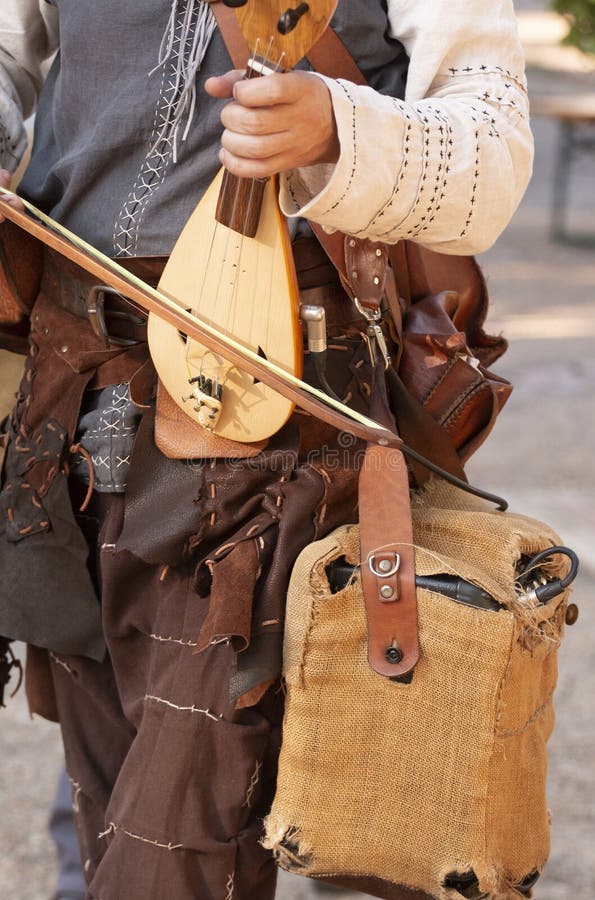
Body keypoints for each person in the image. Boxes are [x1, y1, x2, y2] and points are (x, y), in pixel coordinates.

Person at [0, 1, 533, 898]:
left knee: (171, 861)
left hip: (279, 432)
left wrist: (337, 129)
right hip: (73, 413)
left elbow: (494, 153)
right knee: (107, 824)